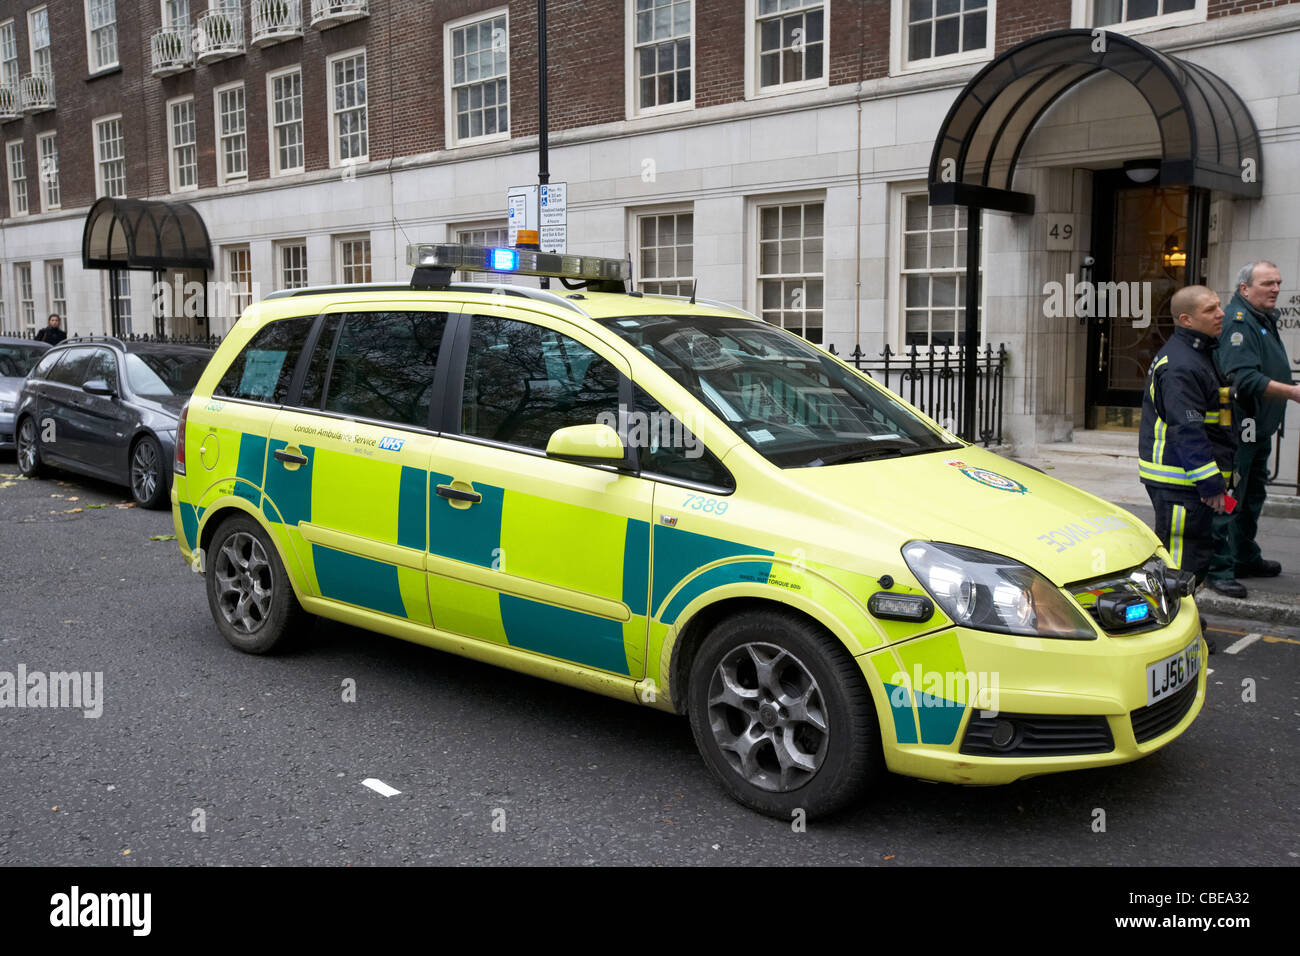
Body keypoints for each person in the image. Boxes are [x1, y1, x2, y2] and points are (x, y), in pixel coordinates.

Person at [1138, 285, 1236, 651]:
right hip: (1180, 481)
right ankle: (1171, 630)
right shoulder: (1182, 364)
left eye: (1219, 306)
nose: (1221, 313)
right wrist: (1210, 483)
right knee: (1181, 558)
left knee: (1194, 552)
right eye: (1211, 309)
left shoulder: (1199, 353)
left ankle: (1182, 617)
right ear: (1187, 319)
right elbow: (1188, 429)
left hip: (1188, 479)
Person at [1206, 261, 1300, 598]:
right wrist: (1290, 391)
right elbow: (1241, 378)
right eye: (1267, 283)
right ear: (1245, 288)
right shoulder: (1239, 322)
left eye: (1278, 282)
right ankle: (1220, 568)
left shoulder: (1262, 318)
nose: (1276, 289)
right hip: (1241, 425)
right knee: (1232, 496)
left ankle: (1245, 556)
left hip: (1258, 425)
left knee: (1253, 495)